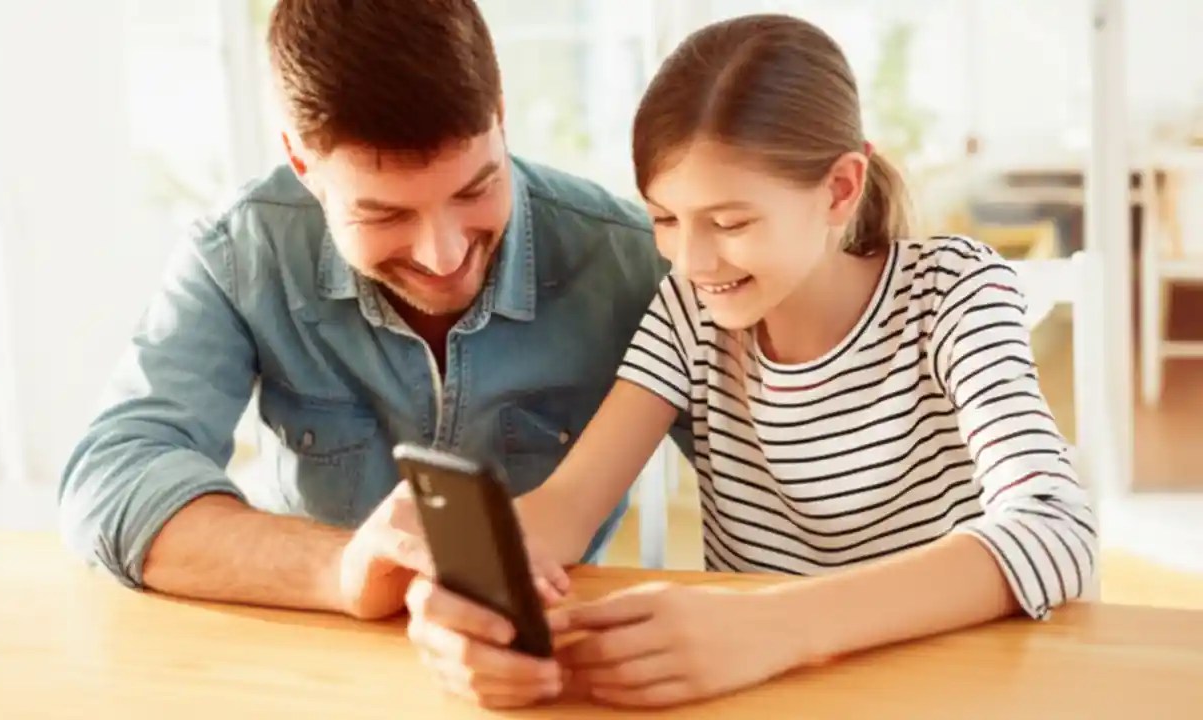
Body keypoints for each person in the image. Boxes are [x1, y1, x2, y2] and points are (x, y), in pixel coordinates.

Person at [404, 13, 1097, 709]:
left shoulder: (951, 293)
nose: (691, 261)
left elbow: (1054, 528)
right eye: (665, 220)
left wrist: (778, 626)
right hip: (764, 697)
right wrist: (462, 594)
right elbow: (567, 506)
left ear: (840, 189)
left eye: (730, 223)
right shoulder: (689, 313)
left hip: (948, 689)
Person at [57, 0, 672, 621]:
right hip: (315, 650)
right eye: (385, 215)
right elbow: (112, 480)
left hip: (538, 644)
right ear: (301, 162)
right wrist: (342, 569)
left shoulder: (630, 260)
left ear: (501, 116)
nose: (444, 256)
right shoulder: (244, 251)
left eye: (476, 189)